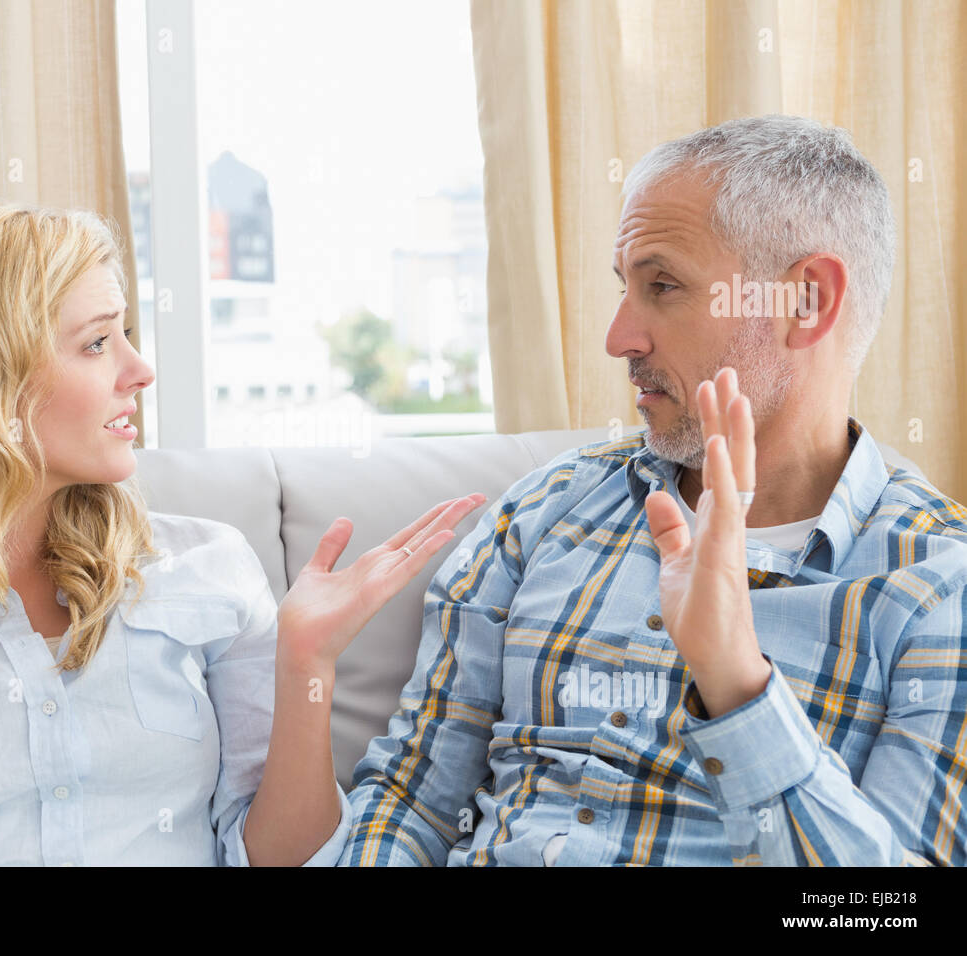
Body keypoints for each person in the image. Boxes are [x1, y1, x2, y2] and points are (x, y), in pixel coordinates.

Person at [0, 198, 485, 866]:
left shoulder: (207, 568)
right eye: (97, 343)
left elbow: (281, 860)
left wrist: (307, 666)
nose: (141, 370)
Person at [340, 114, 967, 866]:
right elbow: (407, 800)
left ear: (807, 301)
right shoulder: (547, 511)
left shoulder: (939, 587)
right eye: (624, 288)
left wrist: (736, 682)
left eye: (662, 285)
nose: (619, 338)